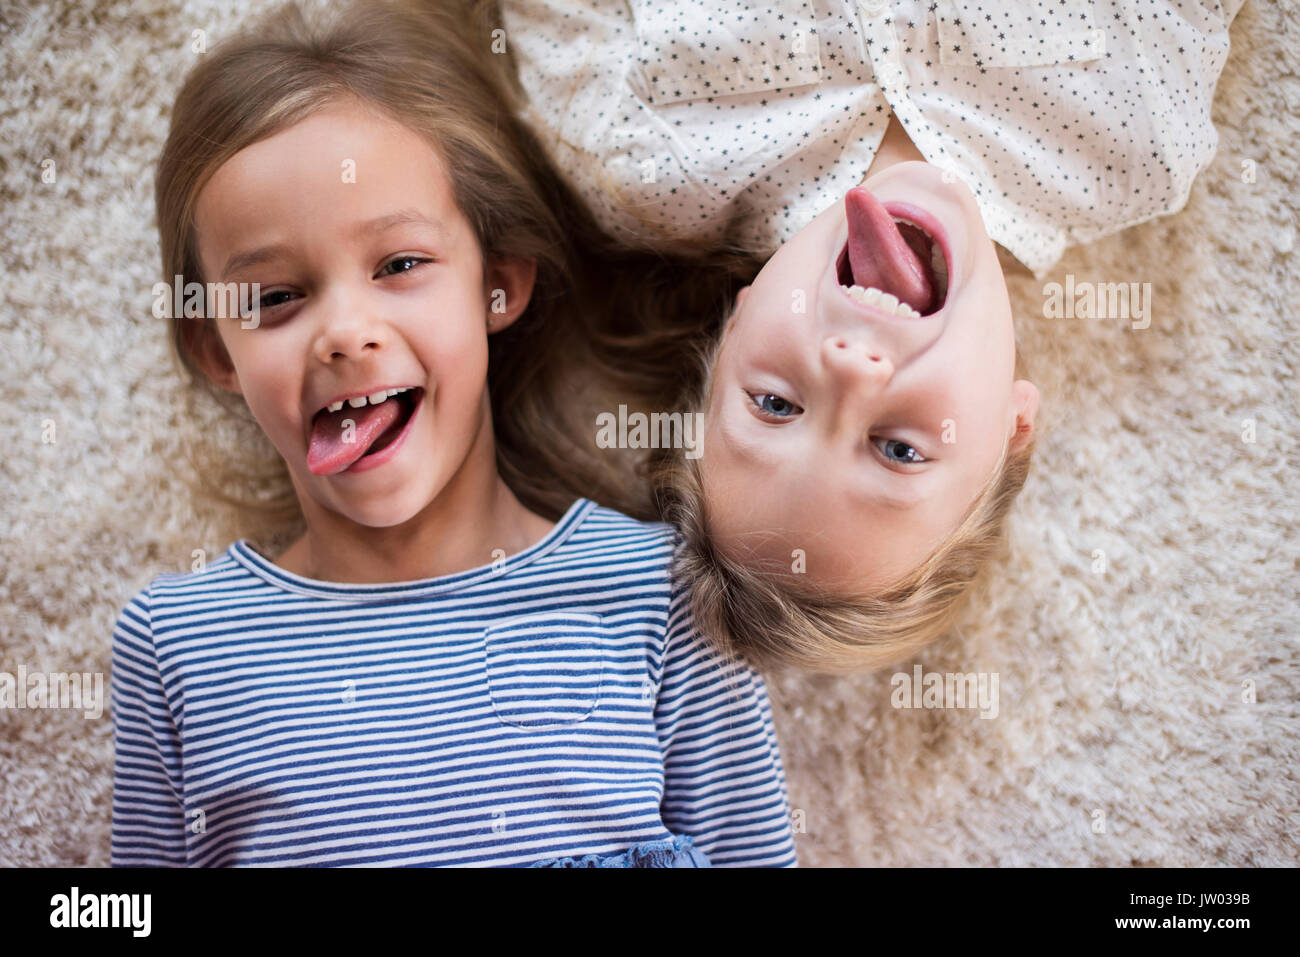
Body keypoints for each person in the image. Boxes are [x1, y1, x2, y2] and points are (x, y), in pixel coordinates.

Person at [110, 0, 795, 867]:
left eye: (399, 264)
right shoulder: (177, 644)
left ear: (497, 285)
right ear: (217, 349)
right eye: (276, 297)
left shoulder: (665, 596)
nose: (344, 334)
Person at [495, 0, 1245, 672]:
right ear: (1013, 429)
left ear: (736, 325)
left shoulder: (638, 157)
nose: (851, 368)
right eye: (899, 450)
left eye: (775, 405)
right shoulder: (1137, 142)